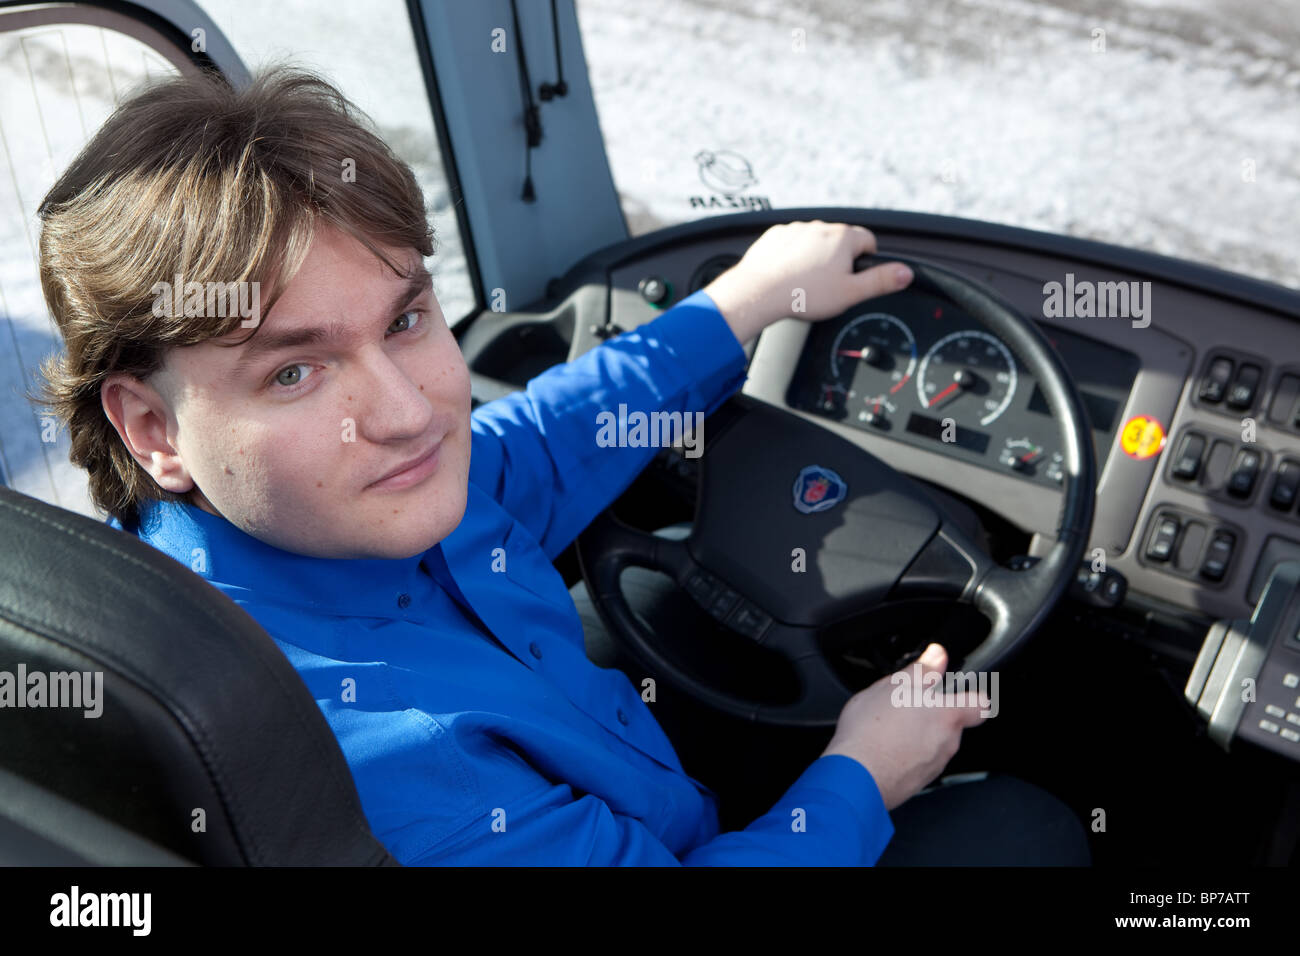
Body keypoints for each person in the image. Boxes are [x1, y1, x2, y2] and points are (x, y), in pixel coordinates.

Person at [32, 65, 1089, 865]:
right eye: (296, 373)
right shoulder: (389, 764)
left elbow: (544, 440)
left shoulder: (332, 507)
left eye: (404, 318)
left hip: (645, 795)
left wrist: (741, 304)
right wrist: (863, 770)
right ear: (152, 430)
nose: (409, 414)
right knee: (1020, 824)